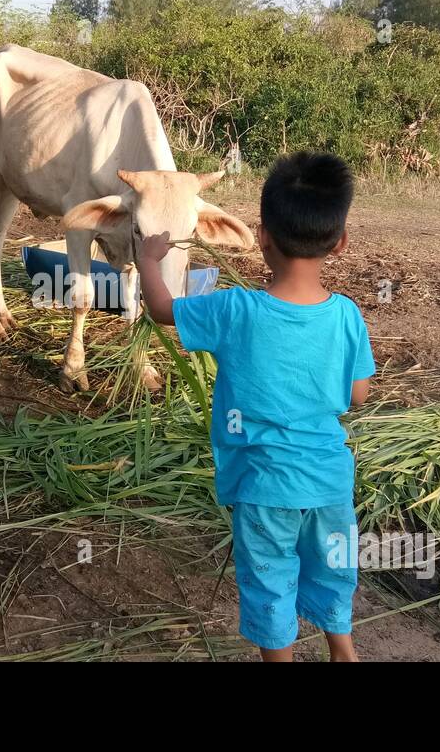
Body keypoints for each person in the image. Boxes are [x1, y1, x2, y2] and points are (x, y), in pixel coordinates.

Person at [136, 151, 375, 662]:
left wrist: (146, 261)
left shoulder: (234, 309)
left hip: (264, 489)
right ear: (340, 241)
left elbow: (160, 309)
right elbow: (357, 396)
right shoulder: (347, 316)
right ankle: (344, 652)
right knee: (332, 571)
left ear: (262, 236)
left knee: (272, 585)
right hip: (330, 480)